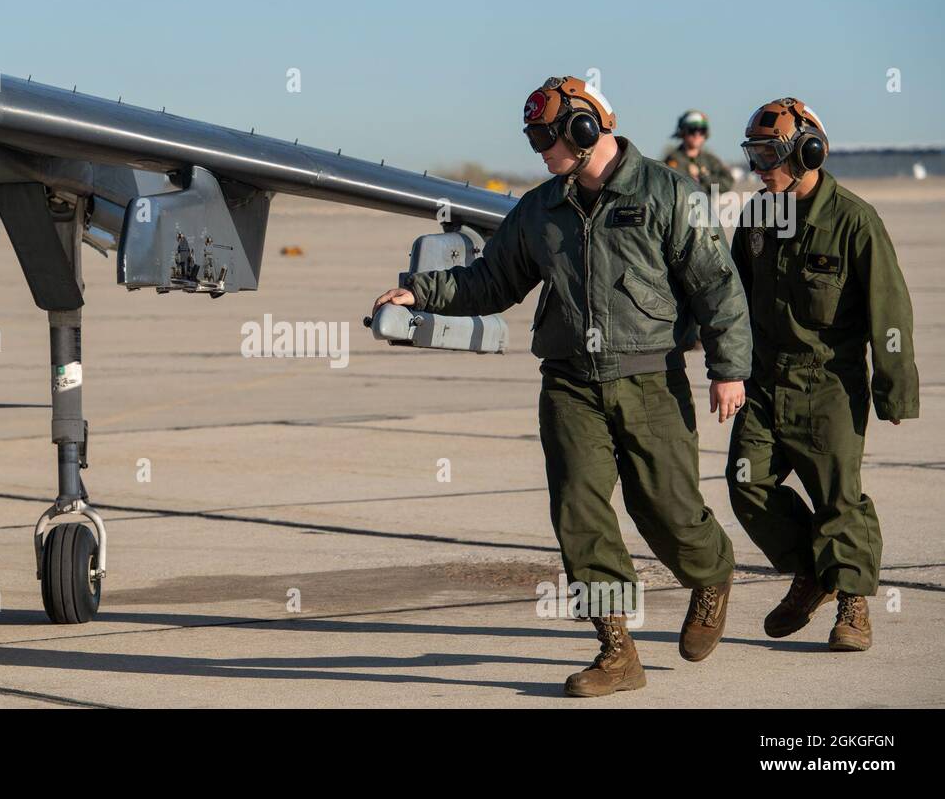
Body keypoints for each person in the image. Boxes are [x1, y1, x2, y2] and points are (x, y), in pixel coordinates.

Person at [372, 76, 753, 697]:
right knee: (579, 511)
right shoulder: (541, 208)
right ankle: (616, 649)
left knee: (668, 514)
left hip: (650, 378)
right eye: (532, 138)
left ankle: (712, 574)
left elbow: (717, 285)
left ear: (584, 128)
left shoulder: (668, 192)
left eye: (546, 137)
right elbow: (492, 280)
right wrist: (423, 292)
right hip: (570, 383)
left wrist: (728, 368)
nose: (539, 150)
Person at [727, 98, 919, 651]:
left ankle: (853, 604)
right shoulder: (758, 216)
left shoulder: (855, 221)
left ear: (808, 153)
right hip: (765, 381)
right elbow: (731, 297)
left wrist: (894, 389)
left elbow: (890, 311)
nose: (760, 169)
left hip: (828, 383)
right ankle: (814, 573)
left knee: (838, 497)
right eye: (754, 156)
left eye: (769, 156)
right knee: (746, 483)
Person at [665, 110, 734, 196]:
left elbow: (727, 183)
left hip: (706, 207)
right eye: (692, 130)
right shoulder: (673, 160)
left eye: (702, 130)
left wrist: (704, 177)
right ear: (683, 132)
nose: (697, 135)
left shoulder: (710, 160)